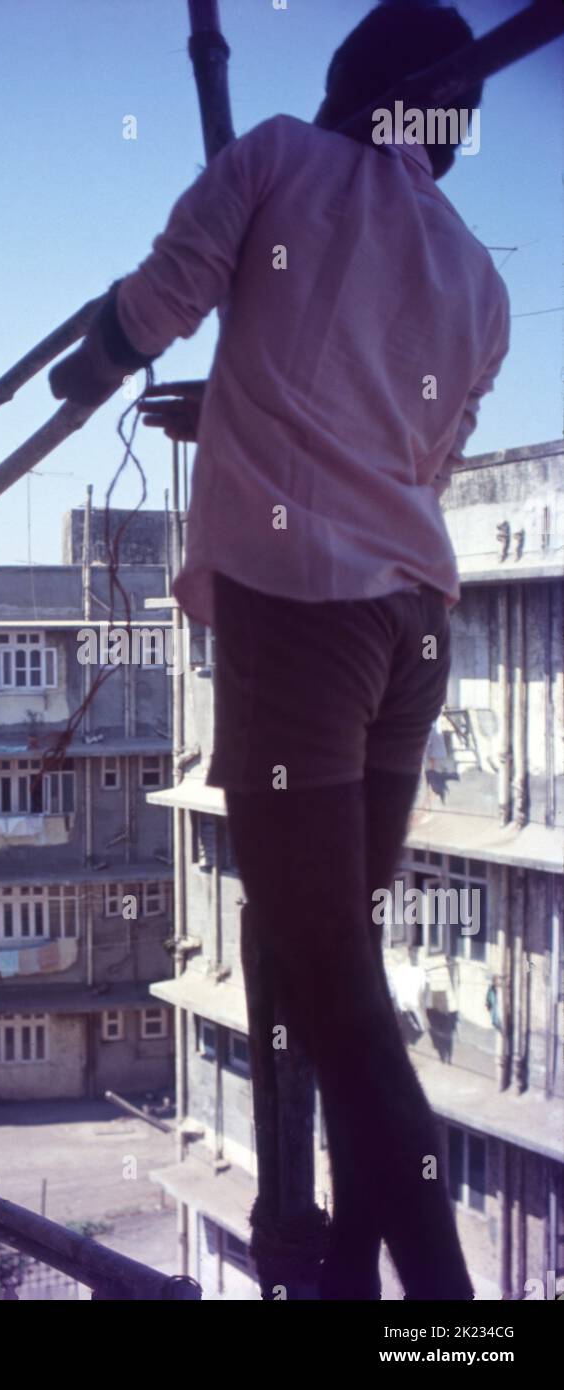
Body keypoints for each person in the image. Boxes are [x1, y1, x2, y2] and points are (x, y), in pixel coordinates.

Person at [50, 4, 508, 1299]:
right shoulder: (476, 276)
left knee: (343, 1004)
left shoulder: (272, 160)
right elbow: (397, 456)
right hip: (406, 627)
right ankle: (343, 1269)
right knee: (316, 950)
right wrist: (240, 395)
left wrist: (91, 359)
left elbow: (148, 311)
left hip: (297, 627)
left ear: (342, 85)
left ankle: (436, 1314)